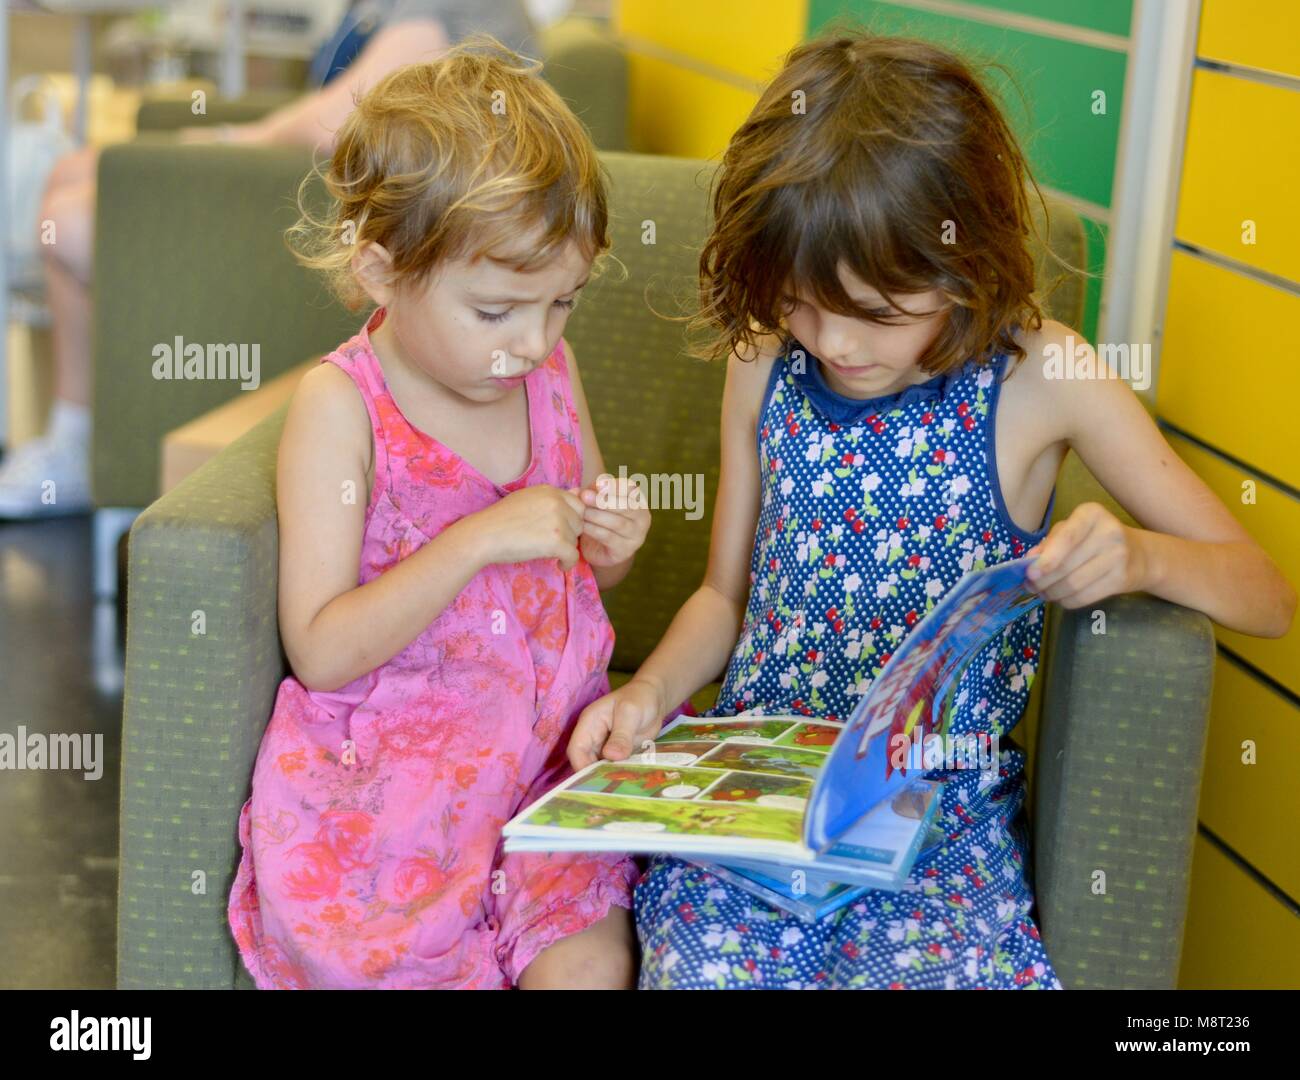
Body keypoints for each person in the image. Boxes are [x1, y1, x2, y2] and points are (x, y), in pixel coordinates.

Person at [566, 29, 1297, 989]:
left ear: (964, 257)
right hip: (756, 791)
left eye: (876, 312)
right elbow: (723, 598)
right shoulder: (762, 360)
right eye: (797, 301)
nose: (831, 341)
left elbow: (1265, 595)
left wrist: (1139, 559)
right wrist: (649, 696)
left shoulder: (1048, 377)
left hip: (938, 816)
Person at [226, 37, 650, 988]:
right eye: (497, 311)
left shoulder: (549, 370)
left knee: (592, 967)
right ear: (381, 271)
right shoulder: (342, 410)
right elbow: (323, 649)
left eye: (563, 304)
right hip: (396, 800)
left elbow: (578, 570)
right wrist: (475, 541)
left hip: (550, 765)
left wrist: (611, 541)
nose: (535, 341)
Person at [0, 0, 537, 518]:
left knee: (70, 222)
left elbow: (340, 119)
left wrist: (219, 139)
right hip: (303, 189)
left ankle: (75, 435)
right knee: (72, 175)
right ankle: (73, 431)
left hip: (342, 216)